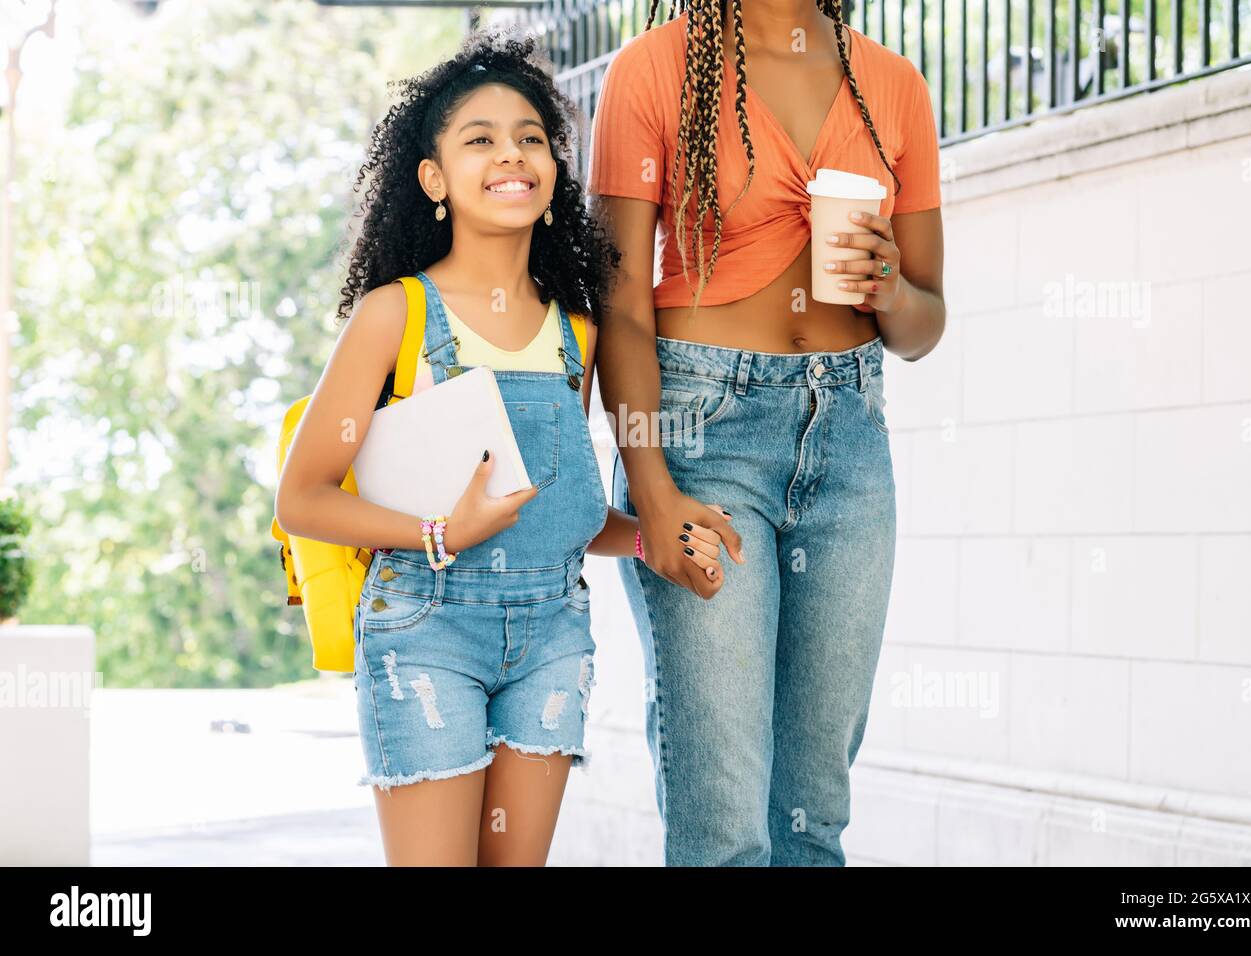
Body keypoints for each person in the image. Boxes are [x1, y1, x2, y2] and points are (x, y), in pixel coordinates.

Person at [275, 29, 730, 866]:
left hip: (554, 633)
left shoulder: (576, 334)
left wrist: (654, 541)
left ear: (554, 171)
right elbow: (302, 498)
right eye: (479, 140)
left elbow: (558, 509)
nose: (512, 154)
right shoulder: (395, 316)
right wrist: (439, 533)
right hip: (425, 629)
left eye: (531, 138)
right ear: (434, 179)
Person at [588, 0, 947, 865]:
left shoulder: (893, 84)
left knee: (812, 816)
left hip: (850, 434)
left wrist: (891, 288)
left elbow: (925, 324)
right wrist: (652, 493)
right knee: (724, 826)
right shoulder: (653, 68)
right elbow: (621, 303)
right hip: (701, 433)